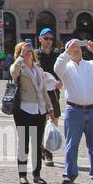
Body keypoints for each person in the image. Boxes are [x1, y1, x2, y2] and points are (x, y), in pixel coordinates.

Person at [54, 38, 93, 184]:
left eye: (78, 47)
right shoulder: (66, 68)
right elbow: (56, 68)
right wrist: (66, 52)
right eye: (72, 47)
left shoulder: (91, 65)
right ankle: (69, 174)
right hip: (74, 110)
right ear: (67, 51)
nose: (76, 49)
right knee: (72, 144)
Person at [8, 41, 58, 184]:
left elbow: (43, 91)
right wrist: (21, 57)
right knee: (24, 143)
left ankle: (37, 175)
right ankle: (22, 174)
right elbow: (13, 74)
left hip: (40, 110)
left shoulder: (38, 69)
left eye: (29, 49)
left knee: (37, 144)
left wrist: (50, 108)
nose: (28, 51)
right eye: (24, 50)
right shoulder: (19, 66)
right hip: (23, 109)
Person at [35, 29, 63, 166]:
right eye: (46, 38)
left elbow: (63, 70)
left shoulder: (57, 54)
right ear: (40, 39)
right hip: (39, 92)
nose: (49, 41)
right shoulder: (35, 54)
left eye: (51, 38)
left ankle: (46, 147)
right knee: (43, 119)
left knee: (54, 119)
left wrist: (61, 82)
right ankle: (46, 152)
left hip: (53, 92)